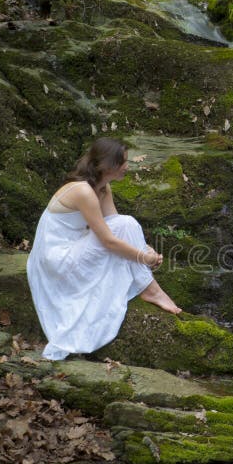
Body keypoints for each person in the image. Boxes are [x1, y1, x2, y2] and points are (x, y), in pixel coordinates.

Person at [27, 137, 181, 361]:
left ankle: (150, 289)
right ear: (109, 165)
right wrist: (142, 258)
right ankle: (151, 290)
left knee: (126, 223)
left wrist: (145, 250)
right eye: (124, 162)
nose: (128, 166)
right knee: (126, 224)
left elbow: (114, 222)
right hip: (56, 260)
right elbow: (109, 240)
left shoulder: (102, 188)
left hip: (75, 247)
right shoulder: (83, 191)